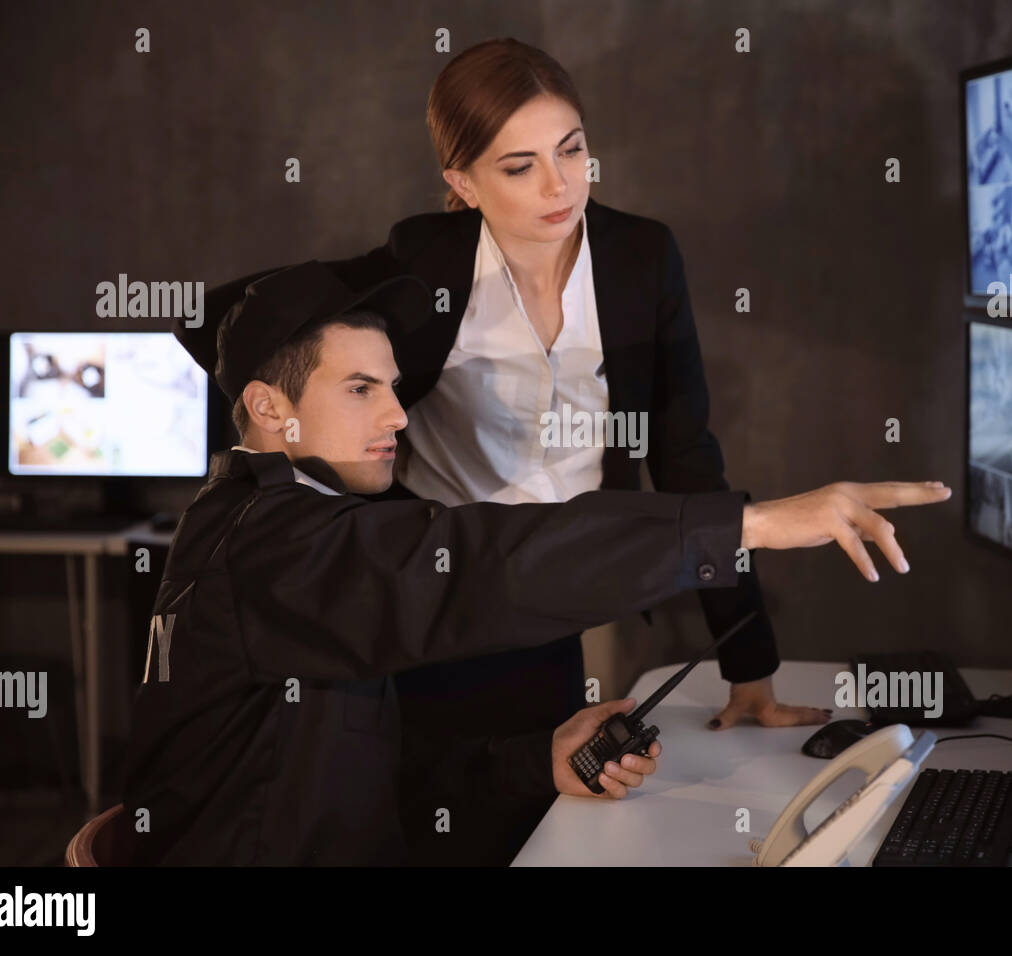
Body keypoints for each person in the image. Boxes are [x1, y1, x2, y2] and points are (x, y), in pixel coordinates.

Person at [200, 38, 850, 864]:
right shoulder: (424, 259)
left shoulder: (641, 257)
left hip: (561, 587)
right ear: (462, 183)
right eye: (518, 166)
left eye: (572, 150)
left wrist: (749, 664)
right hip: (436, 584)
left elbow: (686, 455)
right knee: (436, 811)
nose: (560, 184)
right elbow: (266, 334)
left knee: (551, 813)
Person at [129, 259, 952, 865]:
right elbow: (487, 560)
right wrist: (751, 525)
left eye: (392, 386)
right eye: (359, 390)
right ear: (270, 407)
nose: (396, 415)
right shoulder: (273, 544)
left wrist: (537, 761)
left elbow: (352, 768)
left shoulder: (279, 525)